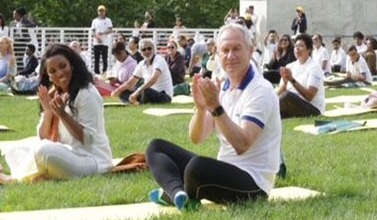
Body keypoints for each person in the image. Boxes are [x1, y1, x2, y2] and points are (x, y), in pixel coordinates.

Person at [145, 23, 282, 208]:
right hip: (225, 171)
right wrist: (201, 109)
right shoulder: (224, 87)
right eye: (225, 50)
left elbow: (242, 144)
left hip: (253, 183)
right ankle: (178, 194)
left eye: (236, 49)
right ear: (217, 54)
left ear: (250, 51)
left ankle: (177, 193)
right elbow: (196, 138)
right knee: (156, 147)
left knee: (197, 167)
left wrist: (216, 107)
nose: (230, 56)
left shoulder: (260, 90)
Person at [21, 44, 114, 179]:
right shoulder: (55, 94)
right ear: (49, 76)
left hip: (92, 159)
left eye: (63, 66)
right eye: (52, 71)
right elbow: (43, 137)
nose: (59, 73)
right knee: (19, 149)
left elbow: (87, 139)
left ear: (72, 65)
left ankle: (36, 174)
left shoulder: (87, 93)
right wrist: (48, 112)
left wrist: (62, 115)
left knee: (43, 151)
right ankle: (46, 172)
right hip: (66, 153)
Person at [278, 34, 326, 118]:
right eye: (296, 46)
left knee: (287, 96)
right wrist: (285, 83)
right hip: (292, 105)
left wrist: (292, 80)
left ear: (309, 49)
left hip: (312, 108)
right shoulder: (289, 66)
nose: (297, 48)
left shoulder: (314, 68)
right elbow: (281, 92)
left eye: (301, 46)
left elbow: (309, 96)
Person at [116, 38, 173, 104]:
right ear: (140, 52)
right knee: (123, 93)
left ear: (153, 49)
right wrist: (117, 91)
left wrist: (137, 92)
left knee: (146, 91)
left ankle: (138, 102)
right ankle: (137, 102)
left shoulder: (159, 60)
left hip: (163, 95)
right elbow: (130, 82)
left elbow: (153, 79)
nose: (147, 51)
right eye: (144, 49)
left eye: (149, 48)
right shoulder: (141, 64)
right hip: (147, 93)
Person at [89, 5, 114, 75]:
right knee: (96, 59)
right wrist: (97, 37)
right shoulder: (95, 21)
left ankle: (104, 71)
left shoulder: (108, 20)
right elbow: (93, 30)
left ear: (105, 12)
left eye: (103, 11)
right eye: (100, 11)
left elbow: (110, 29)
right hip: (96, 42)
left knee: (104, 58)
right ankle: (96, 72)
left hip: (105, 42)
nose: (101, 12)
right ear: (98, 12)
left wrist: (103, 33)